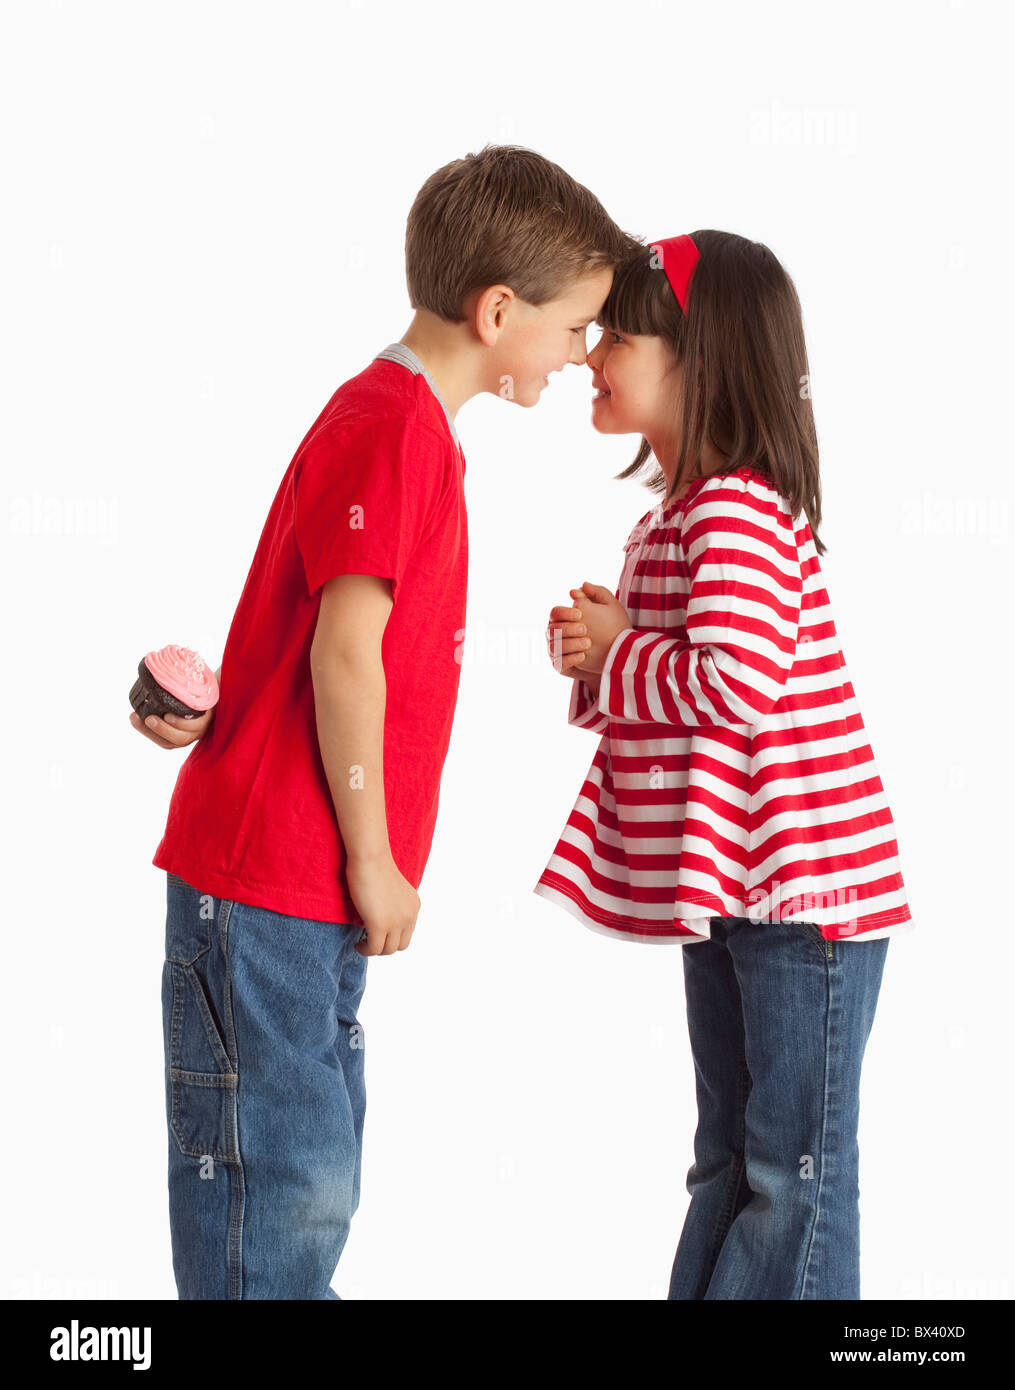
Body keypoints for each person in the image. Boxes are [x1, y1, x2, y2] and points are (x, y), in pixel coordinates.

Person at [129, 143, 639, 1299]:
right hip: (277, 879)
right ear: (497, 308)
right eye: (573, 328)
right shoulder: (393, 424)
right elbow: (345, 655)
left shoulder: (408, 426)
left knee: (309, 1174)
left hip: (292, 889)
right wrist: (374, 857)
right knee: (282, 1184)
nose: (579, 354)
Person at [538, 231, 913, 1299]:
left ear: (699, 362)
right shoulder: (681, 515)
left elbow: (731, 686)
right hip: (739, 890)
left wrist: (621, 653)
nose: (593, 352)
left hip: (803, 894)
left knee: (789, 1171)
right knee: (734, 1160)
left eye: (618, 332)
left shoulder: (737, 512)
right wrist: (605, 651)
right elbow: (679, 683)